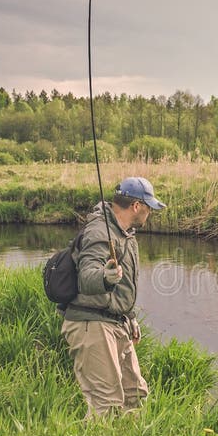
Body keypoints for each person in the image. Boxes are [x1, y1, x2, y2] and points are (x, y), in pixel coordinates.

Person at [61, 176, 166, 418]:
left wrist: (130, 317)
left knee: (135, 395)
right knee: (106, 405)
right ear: (136, 206)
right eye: (149, 206)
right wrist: (105, 277)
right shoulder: (100, 231)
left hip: (116, 322)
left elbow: (126, 284)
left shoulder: (125, 233)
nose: (151, 212)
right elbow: (86, 278)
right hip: (92, 324)